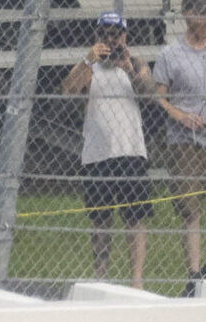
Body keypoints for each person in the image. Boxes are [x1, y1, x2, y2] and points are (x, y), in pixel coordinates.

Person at [62, 12, 154, 289]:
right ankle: (101, 278)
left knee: (135, 218)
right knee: (100, 220)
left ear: (124, 36)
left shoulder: (137, 63)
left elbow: (149, 94)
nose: (110, 40)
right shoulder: (89, 66)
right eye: (104, 34)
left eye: (116, 34)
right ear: (96, 35)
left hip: (131, 150)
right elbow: (68, 91)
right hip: (97, 153)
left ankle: (136, 280)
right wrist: (88, 60)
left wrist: (128, 68)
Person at [150, 0, 206, 292]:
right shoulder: (170, 55)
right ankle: (194, 275)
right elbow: (159, 98)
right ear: (187, 14)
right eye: (202, 14)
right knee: (190, 210)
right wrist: (181, 116)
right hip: (185, 143)